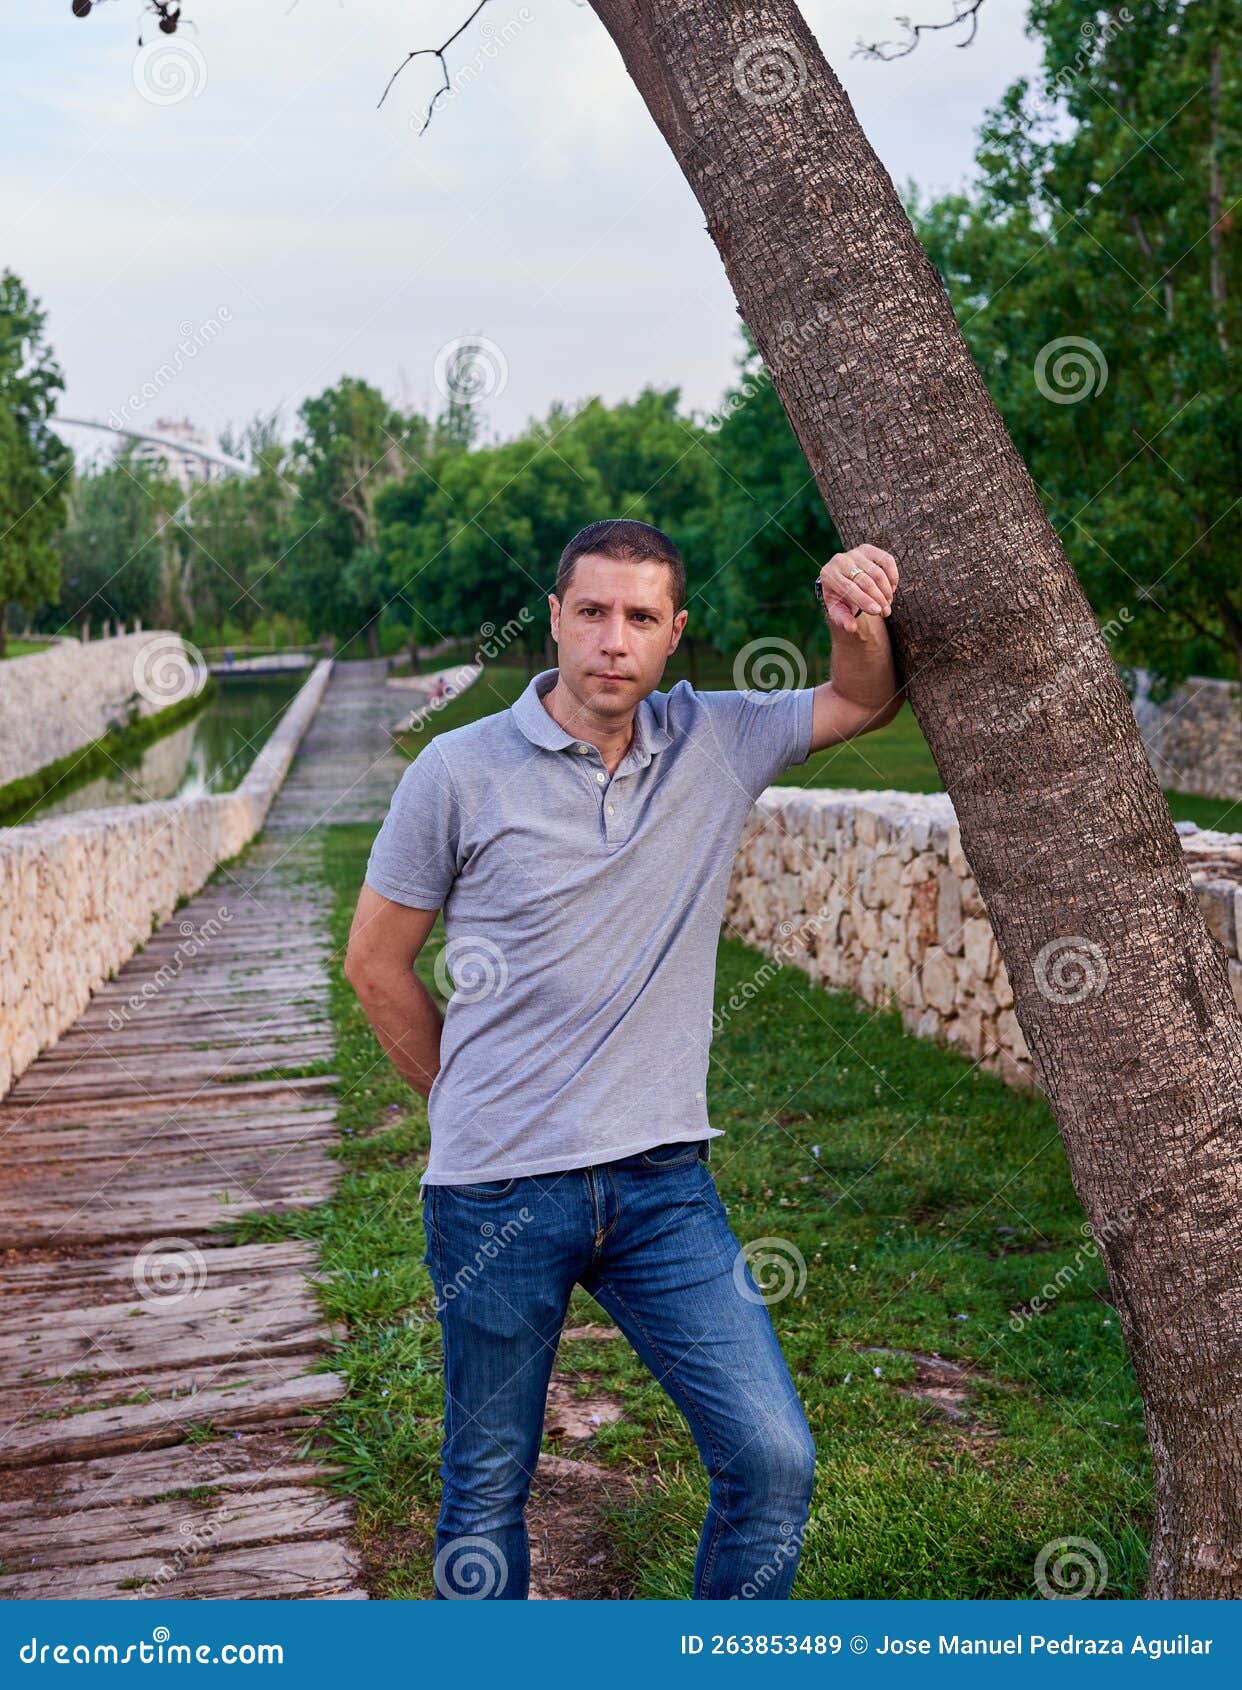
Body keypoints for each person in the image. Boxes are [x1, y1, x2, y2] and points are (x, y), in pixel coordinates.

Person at [345, 518, 903, 1600]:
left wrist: (858, 619)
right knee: (487, 1485)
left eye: (640, 617)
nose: (613, 639)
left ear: (674, 634)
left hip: (661, 1187)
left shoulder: (718, 740)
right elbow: (376, 964)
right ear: (554, 618)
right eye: (591, 612)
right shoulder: (457, 773)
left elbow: (862, 699)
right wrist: (463, 1101)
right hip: (497, 1190)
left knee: (774, 1458)